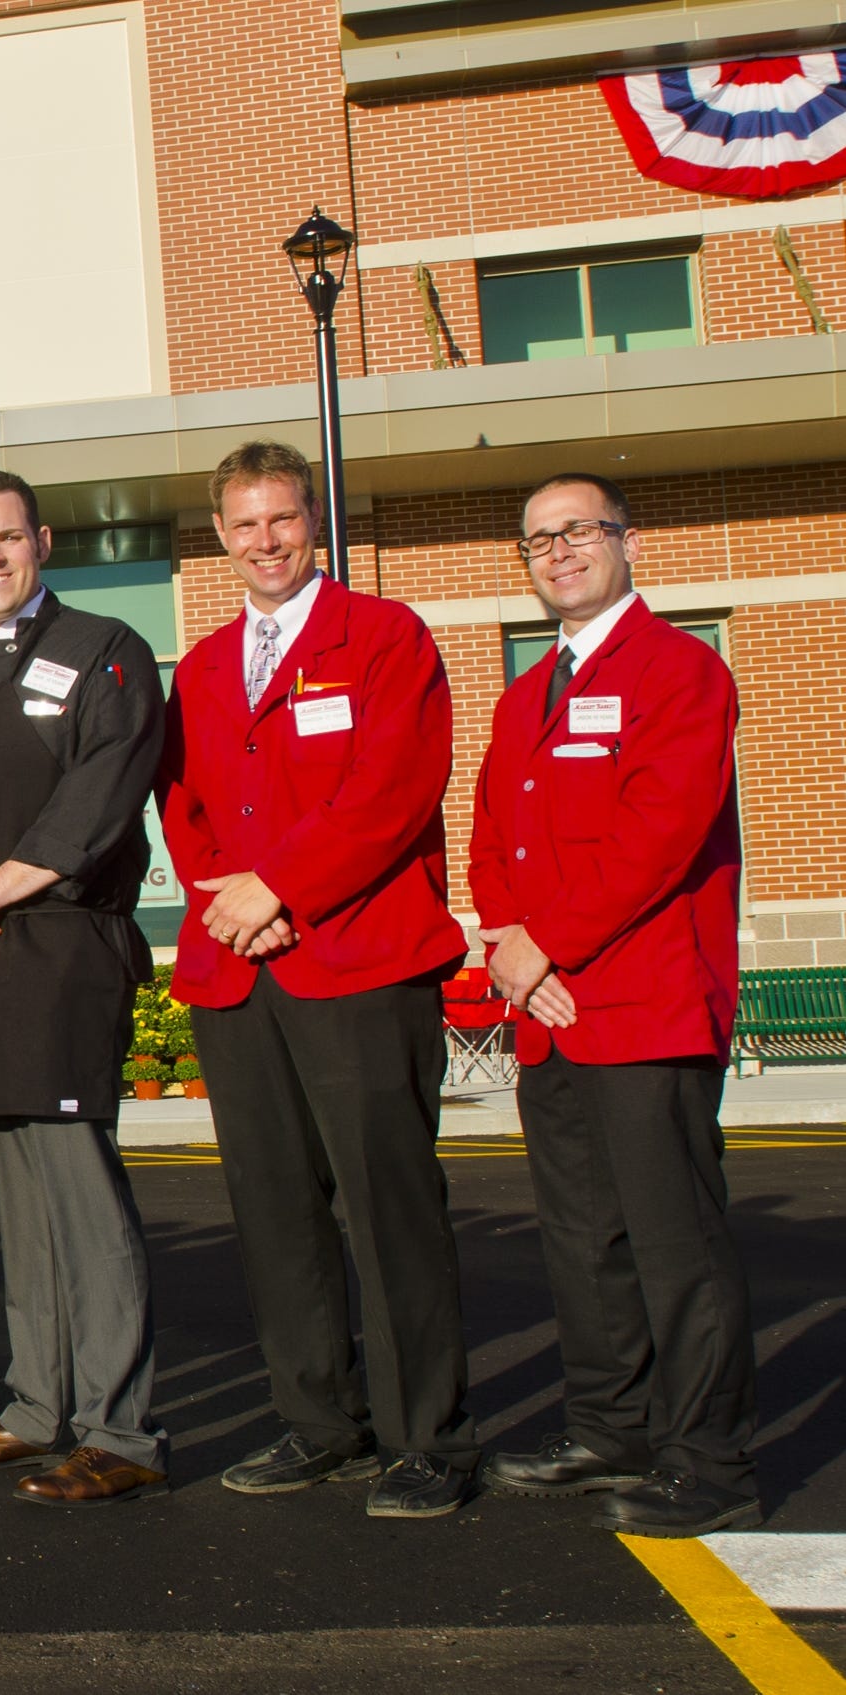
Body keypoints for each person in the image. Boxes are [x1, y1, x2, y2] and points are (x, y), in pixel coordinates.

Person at [158, 440, 479, 1518]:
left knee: (387, 1211)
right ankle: (317, 1423)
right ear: (219, 535)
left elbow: (392, 789)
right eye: (243, 524)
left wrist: (279, 889)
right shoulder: (202, 666)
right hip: (239, 973)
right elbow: (184, 804)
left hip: (357, 961)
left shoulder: (382, 638)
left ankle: (423, 1438)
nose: (264, 541)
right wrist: (225, 897)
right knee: (274, 1211)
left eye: (281, 519)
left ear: (312, 521)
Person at [469, 473, 757, 1536]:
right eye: (537, 540)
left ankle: (707, 1460)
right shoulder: (524, 693)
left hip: (644, 1003)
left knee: (672, 1240)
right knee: (582, 1237)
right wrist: (508, 948)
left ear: (625, 540)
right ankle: (608, 1427)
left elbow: (658, 833)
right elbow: (491, 834)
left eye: (577, 531)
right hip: (546, 1009)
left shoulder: (678, 671)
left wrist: (547, 943)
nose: (557, 552)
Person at [0, 470, 171, 1506]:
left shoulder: (102, 652)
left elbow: (93, 806)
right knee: (21, 1201)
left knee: (81, 1197)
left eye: (7, 538)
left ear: (42, 542)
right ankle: (34, 1407)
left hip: (62, 954)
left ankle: (121, 1430)